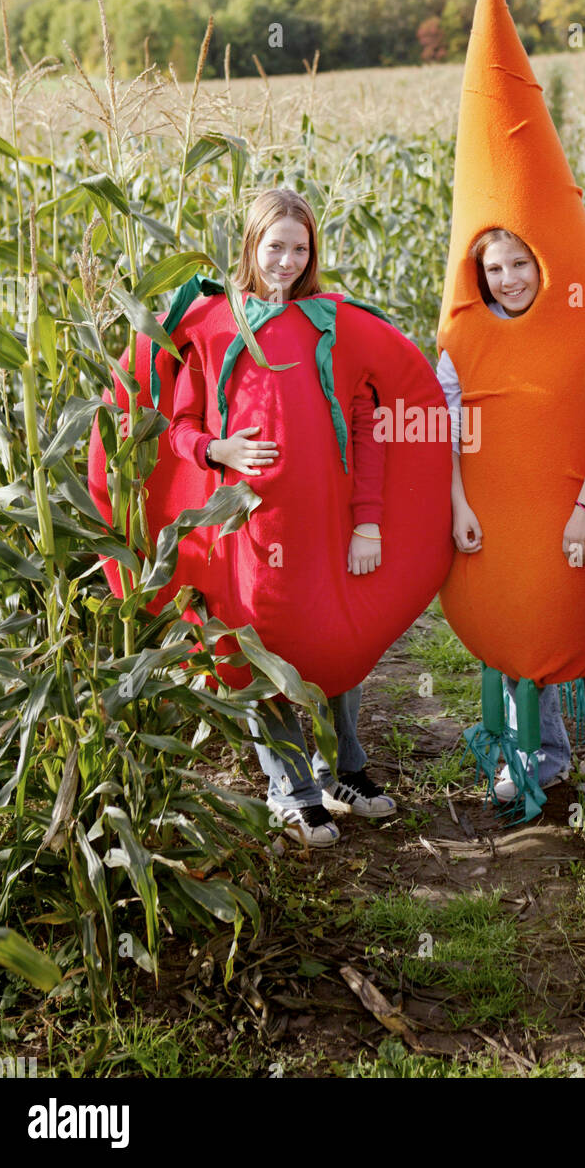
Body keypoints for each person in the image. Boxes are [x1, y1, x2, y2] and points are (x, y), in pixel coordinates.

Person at [168, 188, 395, 848]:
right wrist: (218, 449)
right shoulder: (213, 323)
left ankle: (343, 770)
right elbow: (179, 424)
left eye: (300, 249)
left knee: (339, 641)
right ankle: (289, 789)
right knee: (267, 651)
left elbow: (365, 420)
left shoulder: (335, 322)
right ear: (251, 246)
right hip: (251, 532)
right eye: (275, 247)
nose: (288, 260)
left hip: (327, 525)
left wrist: (368, 521)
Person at [437, 226, 585, 838]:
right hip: (498, 515)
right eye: (495, 270)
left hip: (580, 507)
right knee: (518, 627)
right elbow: (446, 428)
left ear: (543, 263)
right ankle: (539, 757)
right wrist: (457, 506)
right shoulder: (464, 338)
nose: (509, 280)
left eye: (520, 264)